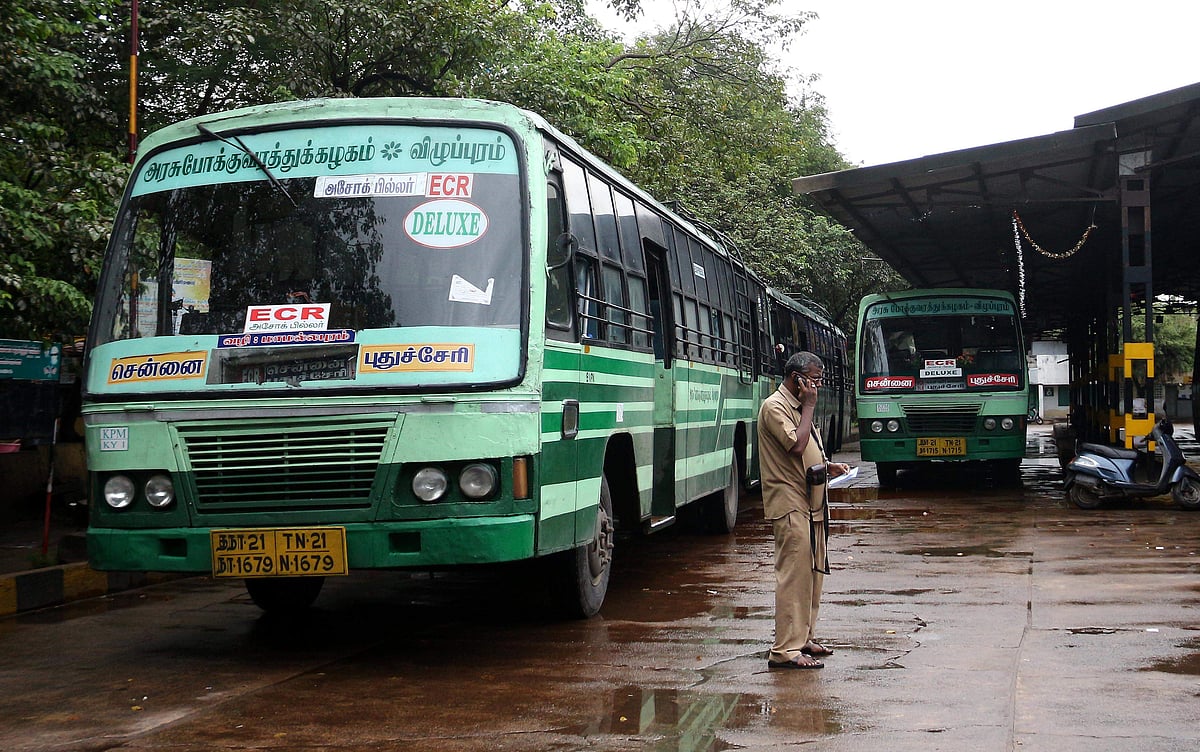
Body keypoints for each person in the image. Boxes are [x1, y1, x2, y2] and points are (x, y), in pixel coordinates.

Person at [757, 351, 851, 670]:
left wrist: (827, 466)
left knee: (812, 574)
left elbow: (808, 450)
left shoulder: (798, 406)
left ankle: (803, 637)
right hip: (790, 502)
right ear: (796, 378)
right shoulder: (775, 407)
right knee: (794, 577)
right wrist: (809, 406)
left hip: (812, 500)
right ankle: (785, 650)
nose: (817, 387)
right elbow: (796, 446)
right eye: (814, 380)